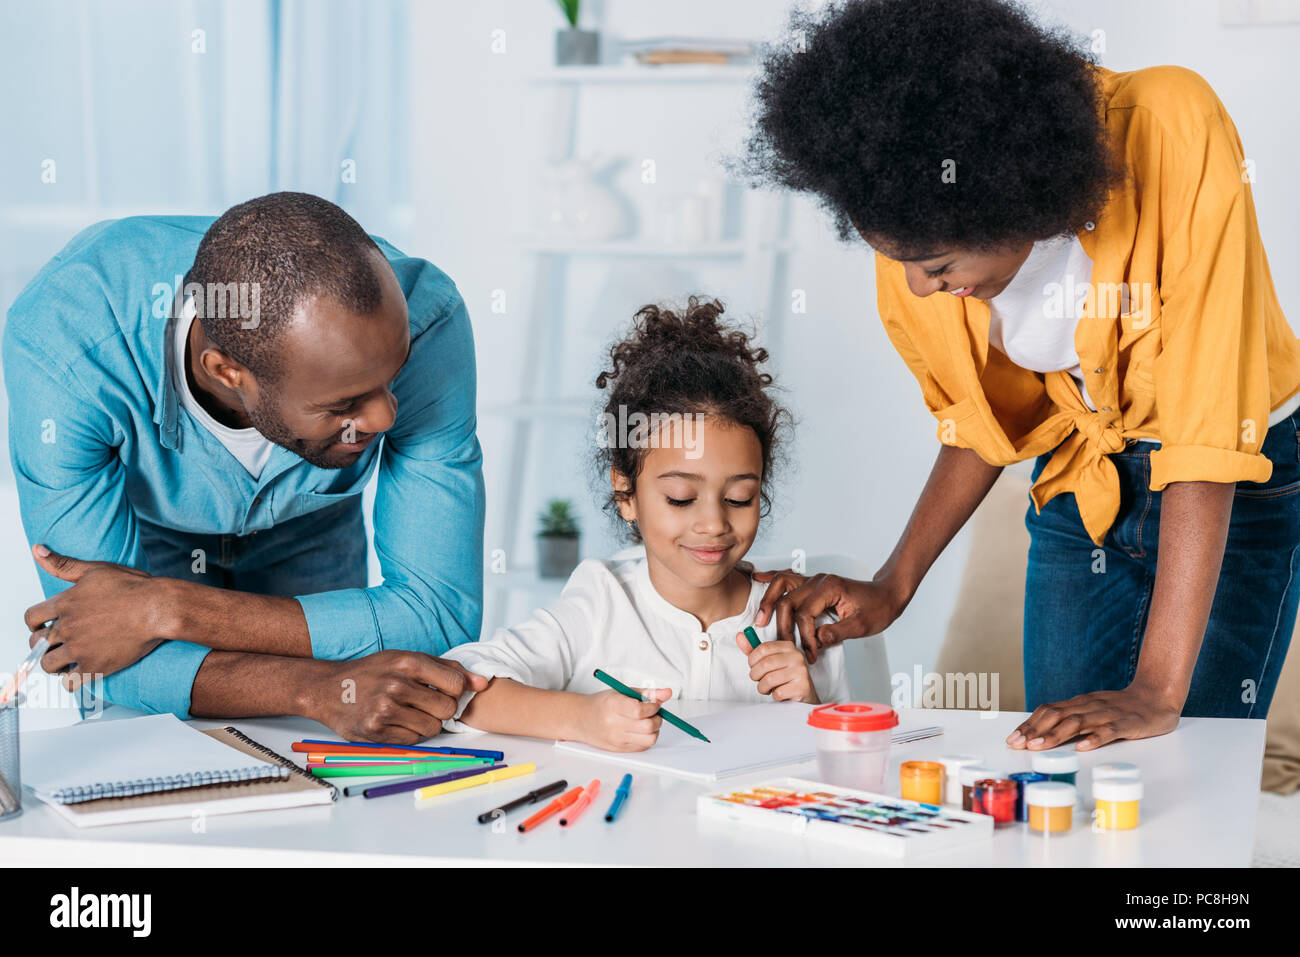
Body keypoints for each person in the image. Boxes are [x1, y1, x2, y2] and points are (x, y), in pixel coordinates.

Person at [741, 0, 1300, 751]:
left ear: (1014, 198)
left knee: (1187, 767)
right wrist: (893, 584)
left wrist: (1157, 689)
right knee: (1056, 764)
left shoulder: (1168, 124)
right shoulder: (907, 200)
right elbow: (985, 422)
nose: (916, 288)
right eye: (900, 259)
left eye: (936, 266)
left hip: (1239, 483)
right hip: (1082, 486)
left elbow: (1206, 426)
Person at [5, 192, 487, 743]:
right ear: (226, 371)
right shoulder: (64, 349)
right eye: (344, 404)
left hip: (310, 528)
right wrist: (314, 688)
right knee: (156, 751)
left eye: (392, 377)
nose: (384, 415)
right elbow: (94, 651)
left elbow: (438, 617)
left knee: (323, 765)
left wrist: (167, 607)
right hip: (149, 538)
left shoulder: (423, 318)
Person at [439, 298, 851, 751]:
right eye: (680, 498)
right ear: (625, 493)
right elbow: (461, 685)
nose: (713, 523)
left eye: (739, 498)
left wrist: (809, 707)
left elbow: (852, 761)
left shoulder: (797, 619)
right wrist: (581, 717)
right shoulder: (601, 602)